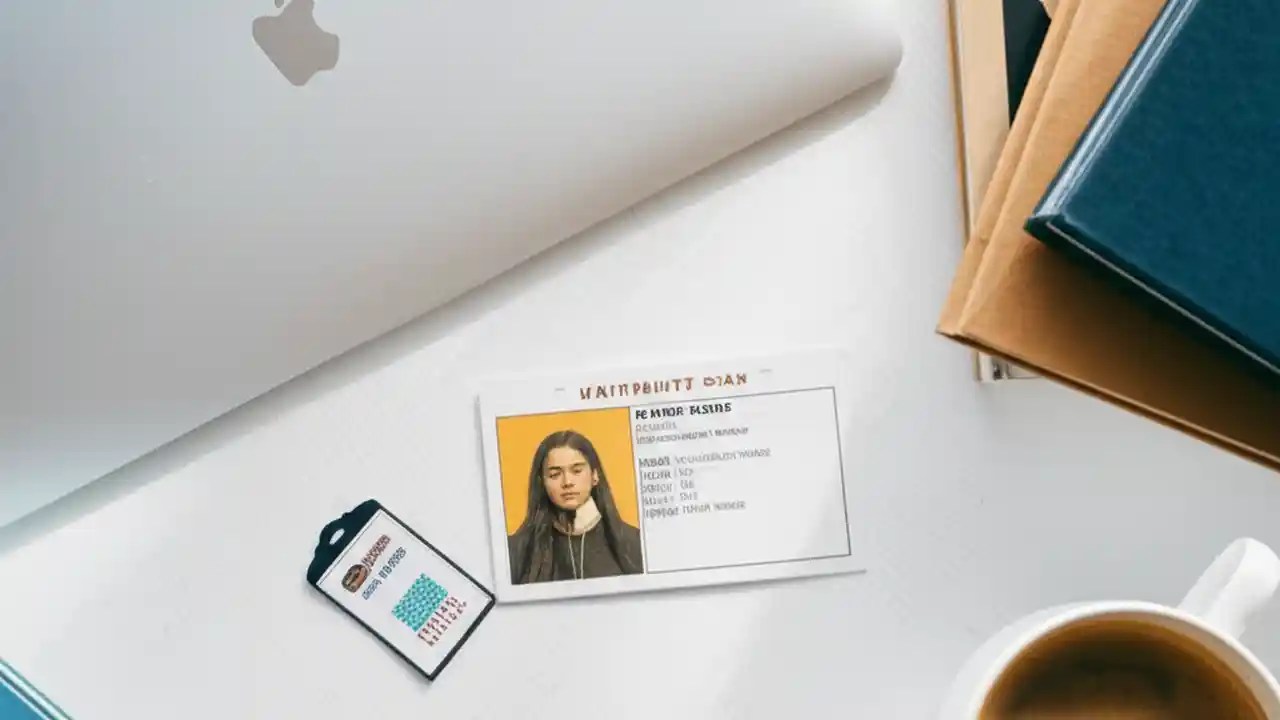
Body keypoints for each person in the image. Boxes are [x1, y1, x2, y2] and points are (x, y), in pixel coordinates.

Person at [509, 430, 643, 584]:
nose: (567, 482)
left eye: (577, 471)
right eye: (554, 474)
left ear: (594, 475)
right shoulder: (516, 551)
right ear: (542, 482)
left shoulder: (635, 543)